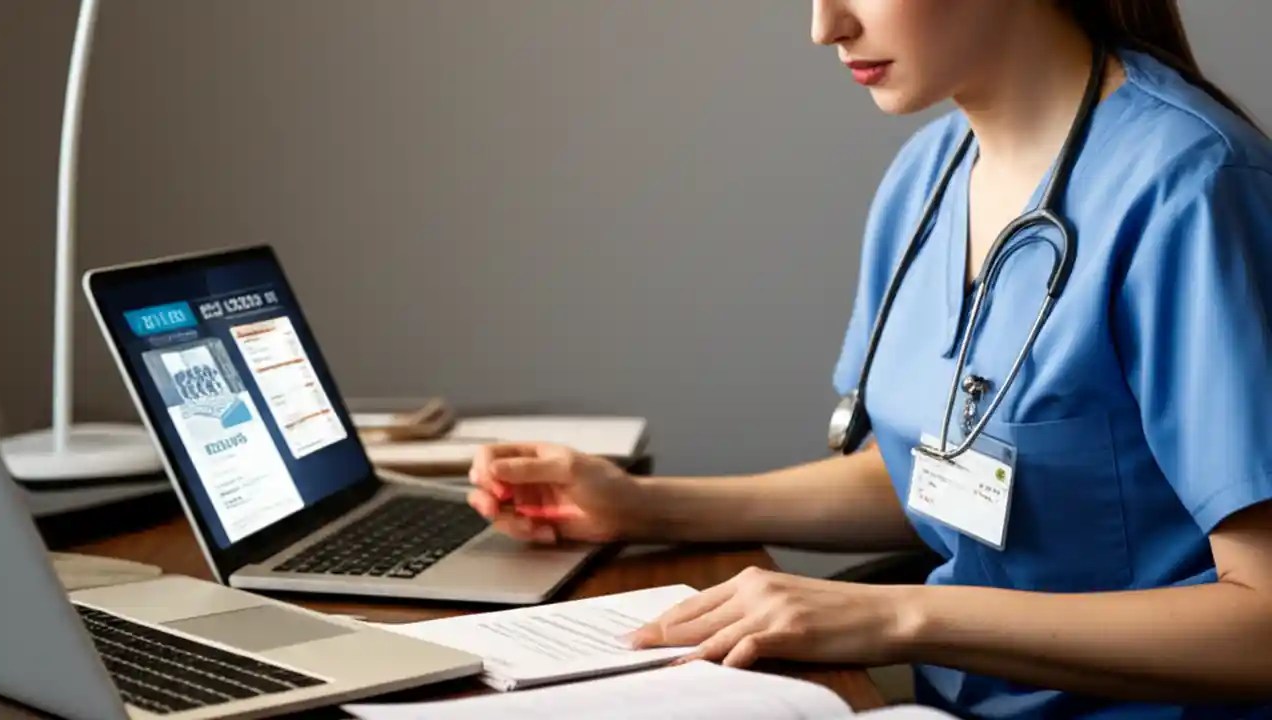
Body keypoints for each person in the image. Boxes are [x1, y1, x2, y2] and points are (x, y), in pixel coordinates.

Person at [467, 1, 1272, 717]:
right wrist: (644, 508)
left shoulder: (1194, 191)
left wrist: (894, 615)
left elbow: (1262, 622)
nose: (826, 26)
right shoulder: (928, 174)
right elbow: (944, 471)